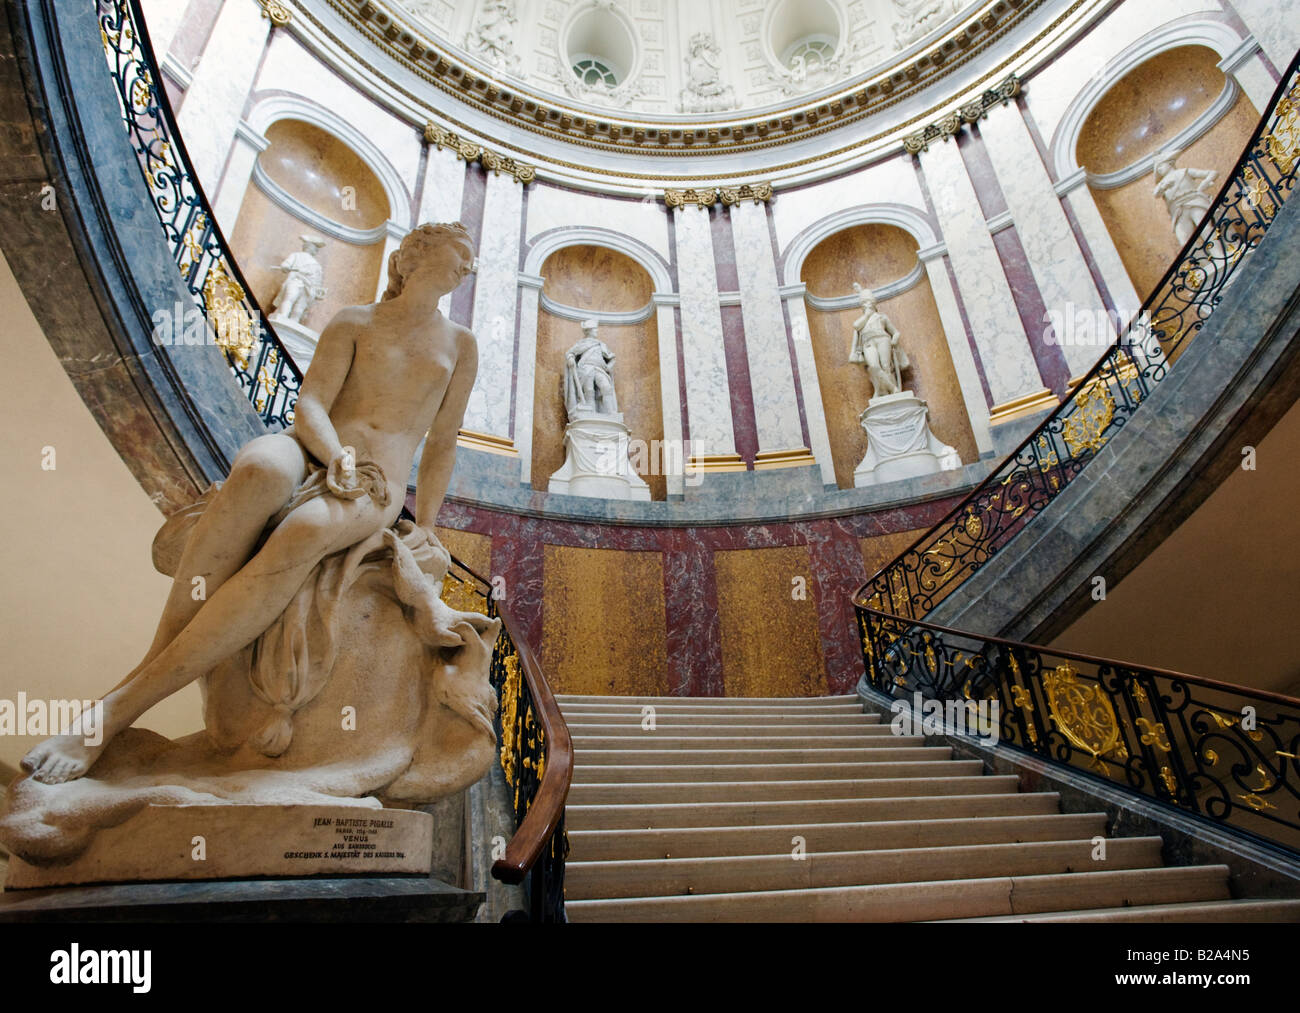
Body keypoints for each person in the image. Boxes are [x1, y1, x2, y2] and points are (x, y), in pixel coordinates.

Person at [22, 222, 487, 784]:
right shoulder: (355, 321)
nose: (468, 266)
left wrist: (429, 525)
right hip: (316, 448)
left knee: (305, 529)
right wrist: (334, 452)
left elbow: (442, 442)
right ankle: (145, 670)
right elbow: (311, 401)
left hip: (374, 483)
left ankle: (118, 707)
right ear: (413, 257)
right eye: (460, 253)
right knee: (260, 468)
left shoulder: (459, 344)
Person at [849, 283, 909, 398]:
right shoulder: (862, 321)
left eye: (869, 302)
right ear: (862, 306)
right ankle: (892, 388)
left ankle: (887, 393)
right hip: (868, 343)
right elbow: (856, 326)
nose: (868, 305)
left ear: (874, 303)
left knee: (886, 366)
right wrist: (867, 315)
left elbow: (895, 332)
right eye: (865, 303)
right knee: (874, 366)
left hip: (883, 340)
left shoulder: (882, 317)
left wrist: (895, 339)